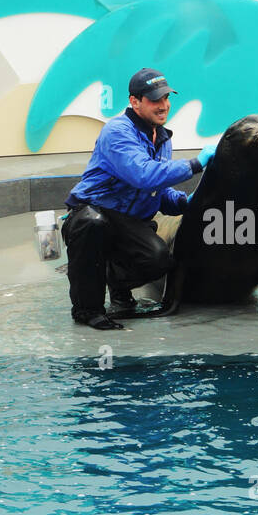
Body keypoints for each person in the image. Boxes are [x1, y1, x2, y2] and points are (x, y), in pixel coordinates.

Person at [61, 68, 215, 330]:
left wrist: (184, 202)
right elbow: (143, 175)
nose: (164, 105)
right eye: (155, 99)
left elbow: (156, 189)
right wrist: (196, 163)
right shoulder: (118, 131)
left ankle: (104, 277)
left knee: (157, 260)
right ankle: (88, 310)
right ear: (135, 101)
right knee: (92, 224)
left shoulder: (161, 137)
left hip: (130, 221)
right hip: (95, 212)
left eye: (166, 98)